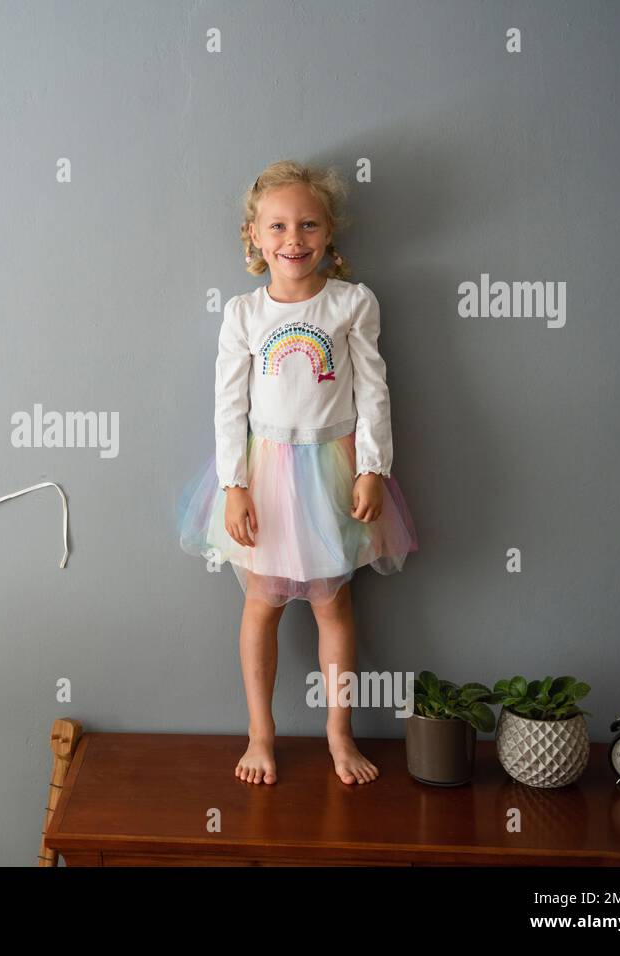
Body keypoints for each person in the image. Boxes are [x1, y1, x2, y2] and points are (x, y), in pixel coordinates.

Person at [177, 160, 419, 786]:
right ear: (253, 236)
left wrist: (373, 469)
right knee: (261, 604)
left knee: (333, 606)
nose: (294, 238)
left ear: (330, 232)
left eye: (309, 224)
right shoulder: (244, 314)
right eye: (278, 225)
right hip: (264, 476)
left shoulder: (352, 303)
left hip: (334, 470)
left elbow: (375, 392)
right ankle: (261, 732)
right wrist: (234, 485)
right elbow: (229, 406)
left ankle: (340, 732)